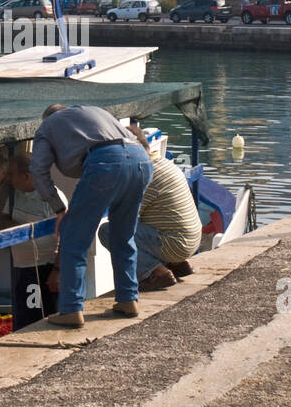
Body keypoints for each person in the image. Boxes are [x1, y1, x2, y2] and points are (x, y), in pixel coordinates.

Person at [31, 104, 152, 328]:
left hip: (105, 164)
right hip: (141, 160)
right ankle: (128, 299)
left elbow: (37, 170)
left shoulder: (47, 127)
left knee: (72, 236)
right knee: (123, 235)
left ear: (46, 118)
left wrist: (59, 208)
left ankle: (71, 310)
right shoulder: (93, 111)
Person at [126, 124, 202, 290]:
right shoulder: (164, 163)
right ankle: (176, 264)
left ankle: (155, 272)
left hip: (176, 244)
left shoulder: (145, 173)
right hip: (192, 240)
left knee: (109, 231)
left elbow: (128, 217)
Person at [6, 149, 66, 328]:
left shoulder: (53, 198)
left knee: (41, 319)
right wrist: (16, 230)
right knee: (24, 318)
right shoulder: (13, 194)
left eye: (11, 174)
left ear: (26, 176)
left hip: (44, 270)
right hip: (21, 269)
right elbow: (2, 217)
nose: (8, 178)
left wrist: (57, 270)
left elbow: (67, 238)